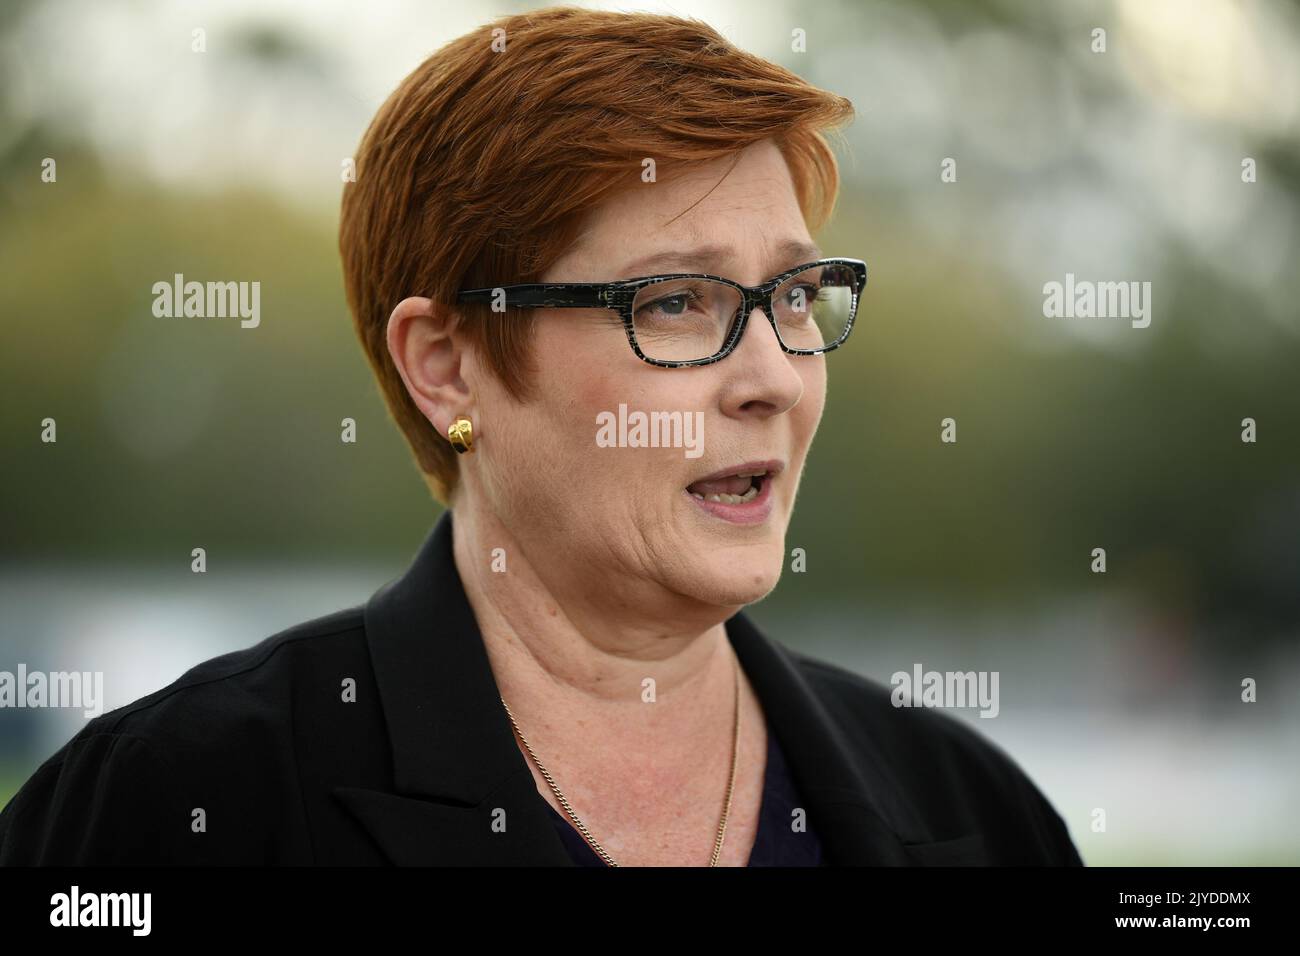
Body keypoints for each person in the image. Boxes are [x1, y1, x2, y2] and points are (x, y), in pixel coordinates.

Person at [0, 5, 1081, 866]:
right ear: (447, 364)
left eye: (795, 295)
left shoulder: (972, 809)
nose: (774, 379)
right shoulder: (172, 803)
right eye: (676, 301)